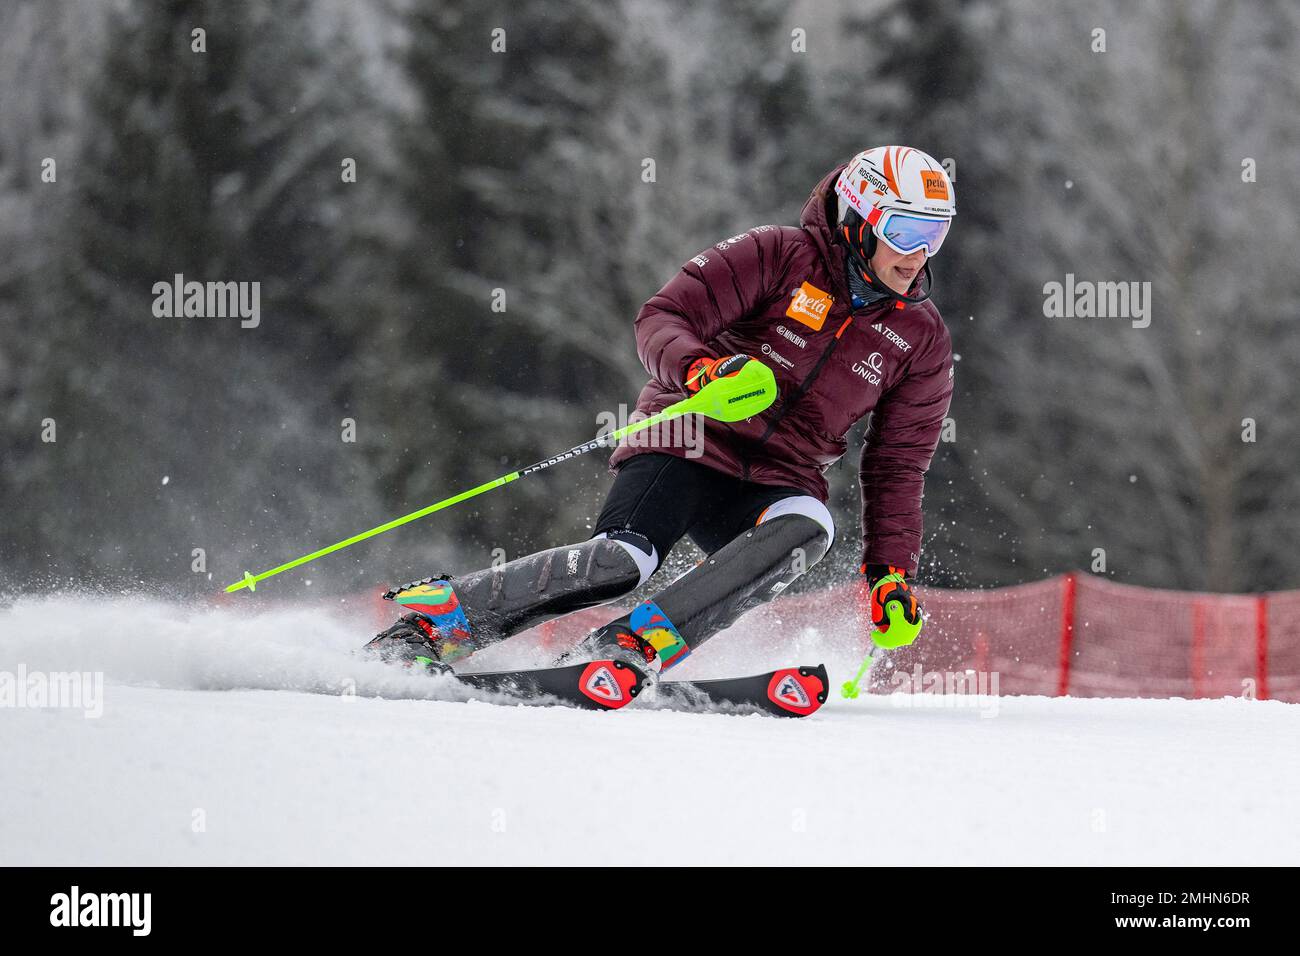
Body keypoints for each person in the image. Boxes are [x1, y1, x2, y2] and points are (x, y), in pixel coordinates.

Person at [364, 146, 955, 676]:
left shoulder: (921, 338)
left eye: (935, 235)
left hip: (781, 476)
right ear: (857, 220)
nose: (918, 255)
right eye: (904, 231)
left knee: (810, 527)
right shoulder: (779, 254)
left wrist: (890, 576)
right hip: (689, 438)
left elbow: (897, 467)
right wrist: (700, 370)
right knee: (624, 561)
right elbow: (664, 317)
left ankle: (633, 646)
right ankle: (439, 622)